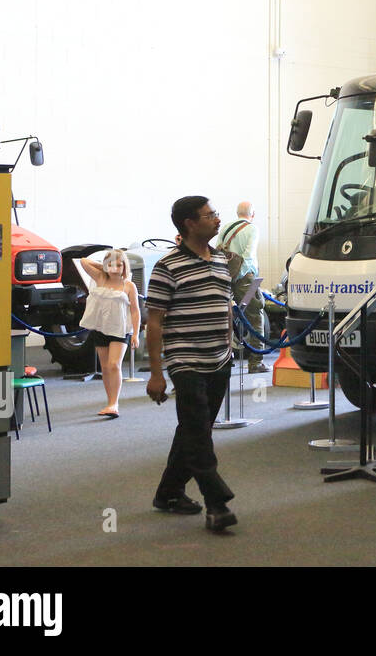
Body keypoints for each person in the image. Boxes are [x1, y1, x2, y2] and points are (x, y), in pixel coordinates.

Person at [146, 196, 238, 532]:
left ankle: (168, 493)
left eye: (216, 213)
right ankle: (217, 503)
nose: (216, 220)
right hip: (186, 360)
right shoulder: (167, 266)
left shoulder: (220, 260)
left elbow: (225, 305)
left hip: (219, 359)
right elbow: (154, 321)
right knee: (199, 433)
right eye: (210, 215)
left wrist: (229, 346)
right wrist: (157, 374)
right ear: (189, 223)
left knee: (194, 429)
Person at [78, 249, 140, 418]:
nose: (115, 269)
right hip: (102, 327)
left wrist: (135, 333)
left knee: (114, 365)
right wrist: (105, 266)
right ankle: (110, 401)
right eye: (111, 265)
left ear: (124, 266)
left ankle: (115, 403)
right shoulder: (100, 278)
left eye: (119, 265)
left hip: (120, 329)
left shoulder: (129, 285)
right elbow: (83, 261)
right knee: (105, 367)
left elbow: (135, 310)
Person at [218, 201, 267, 373]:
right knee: (255, 315)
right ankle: (256, 362)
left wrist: (227, 276)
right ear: (252, 214)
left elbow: (217, 251)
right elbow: (249, 254)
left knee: (226, 318)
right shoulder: (252, 229)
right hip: (246, 279)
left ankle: (225, 359)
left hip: (225, 278)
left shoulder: (225, 228)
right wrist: (240, 275)